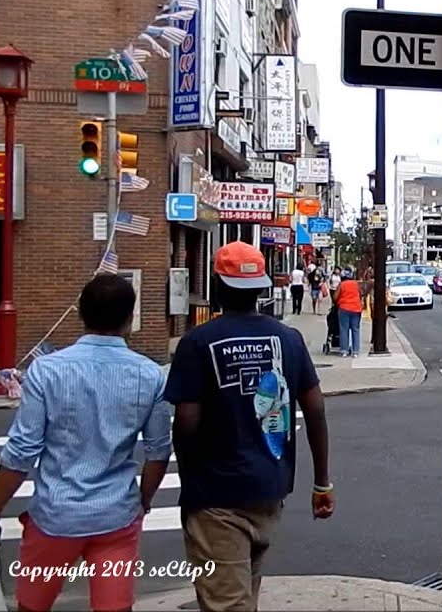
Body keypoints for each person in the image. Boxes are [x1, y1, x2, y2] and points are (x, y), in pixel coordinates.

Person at [166, 242, 334, 611]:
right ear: (260, 288)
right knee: (245, 593)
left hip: (217, 497)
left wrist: (191, 483)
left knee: (227, 602)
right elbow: (316, 410)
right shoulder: (288, 339)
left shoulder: (198, 342)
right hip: (269, 489)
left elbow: (187, 423)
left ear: (216, 285)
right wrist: (322, 482)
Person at [0, 274, 172, 612]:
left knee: (32, 605)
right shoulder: (149, 375)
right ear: (130, 318)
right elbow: (158, 450)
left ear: (80, 315)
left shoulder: (46, 371)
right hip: (117, 514)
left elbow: (22, 450)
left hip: (55, 515)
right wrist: (143, 500)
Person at [335, 268, 364, 358]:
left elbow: (335, 297)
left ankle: (344, 350)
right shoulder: (356, 284)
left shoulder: (342, 285)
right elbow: (361, 294)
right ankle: (355, 351)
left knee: (344, 329)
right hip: (356, 308)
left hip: (344, 308)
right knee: (355, 329)